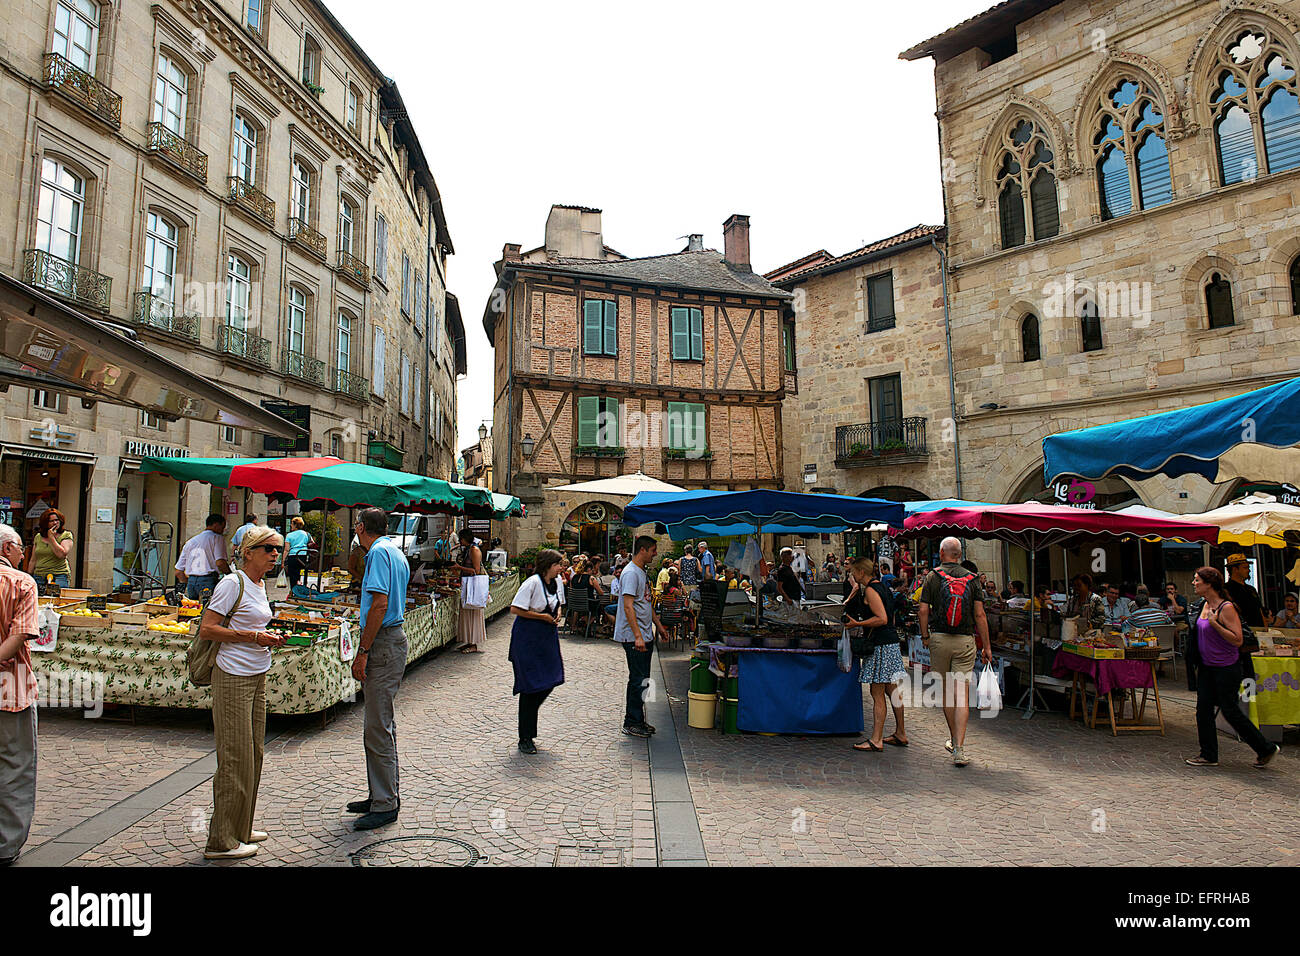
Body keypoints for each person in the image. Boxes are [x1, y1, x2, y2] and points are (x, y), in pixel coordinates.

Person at [198, 525, 287, 860]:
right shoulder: (230, 583)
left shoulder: (259, 584)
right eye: (268, 549)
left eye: (277, 549)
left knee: (254, 753)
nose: (274, 555)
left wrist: (267, 636)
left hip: (256, 673)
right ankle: (220, 840)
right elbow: (209, 628)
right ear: (248, 552)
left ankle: (241, 825)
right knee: (235, 757)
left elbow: (252, 623)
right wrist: (253, 638)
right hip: (233, 675)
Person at [346, 508, 410, 831]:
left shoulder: (378, 553)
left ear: (360, 527)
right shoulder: (394, 551)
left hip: (383, 643)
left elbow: (380, 604)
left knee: (377, 726)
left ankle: (385, 802)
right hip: (390, 640)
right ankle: (381, 794)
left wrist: (363, 651)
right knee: (380, 724)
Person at [1185, 566, 1280, 769]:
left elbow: (1237, 639)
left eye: (1197, 580)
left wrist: (1215, 623)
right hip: (1207, 667)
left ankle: (1265, 748)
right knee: (1203, 710)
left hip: (1226, 667)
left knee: (1230, 711)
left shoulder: (1226, 607)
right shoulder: (1202, 605)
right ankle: (1209, 754)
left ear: (1209, 583)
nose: (1194, 583)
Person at [918, 537, 992, 767]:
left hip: (939, 639)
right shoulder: (973, 579)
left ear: (941, 553)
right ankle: (959, 748)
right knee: (962, 696)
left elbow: (923, 610)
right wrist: (987, 646)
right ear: (959, 555)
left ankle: (953, 738)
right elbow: (980, 615)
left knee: (946, 694)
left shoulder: (932, 576)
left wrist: (925, 637)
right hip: (965, 642)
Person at [0, 524, 40, 865]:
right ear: (8, 548)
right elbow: (22, 634)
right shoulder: (22, 582)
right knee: (15, 766)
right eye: (20, 549)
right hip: (10, 687)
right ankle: (5, 846)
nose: (23, 554)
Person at [843, 557, 907, 752]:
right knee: (891, 690)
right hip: (890, 642)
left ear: (862, 572)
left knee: (877, 692)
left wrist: (857, 624)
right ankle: (900, 733)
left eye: (854, 572)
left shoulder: (871, 590)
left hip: (881, 644)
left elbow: (882, 618)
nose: (852, 575)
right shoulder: (882, 587)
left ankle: (876, 739)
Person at [509, 549, 566, 755]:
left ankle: (530, 719)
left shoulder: (558, 582)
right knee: (529, 687)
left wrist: (557, 613)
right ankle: (525, 737)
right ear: (549, 565)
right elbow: (515, 609)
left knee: (552, 678)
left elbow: (558, 604)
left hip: (546, 638)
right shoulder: (532, 583)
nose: (561, 567)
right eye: (558, 564)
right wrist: (542, 617)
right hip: (528, 637)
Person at [615, 535, 663, 738]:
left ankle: (639, 719)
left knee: (645, 679)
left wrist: (658, 626)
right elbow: (628, 605)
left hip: (644, 634)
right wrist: (637, 636)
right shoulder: (631, 573)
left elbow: (645, 603)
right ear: (643, 550)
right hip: (634, 637)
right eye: (653, 550)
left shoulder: (641, 572)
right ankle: (631, 721)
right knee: (637, 679)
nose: (655, 554)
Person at [178, 514, 231, 601]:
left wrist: (187, 583)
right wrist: (230, 574)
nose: (223, 530)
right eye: (222, 527)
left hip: (191, 581)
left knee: (193, 608)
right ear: (216, 524)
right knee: (207, 609)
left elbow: (178, 571)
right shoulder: (217, 538)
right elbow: (220, 562)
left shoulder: (190, 542)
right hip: (208, 580)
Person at [455, 526, 487, 654]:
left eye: (460, 539)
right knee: (467, 614)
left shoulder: (474, 550)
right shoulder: (468, 549)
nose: (459, 542)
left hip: (473, 586)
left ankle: (474, 644)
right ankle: (468, 641)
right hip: (467, 584)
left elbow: (476, 570)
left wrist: (459, 568)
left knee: (472, 615)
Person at [25, 508, 74, 587]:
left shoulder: (66, 535)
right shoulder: (38, 537)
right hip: (39, 575)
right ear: (45, 523)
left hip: (59, 575)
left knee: (56, 598)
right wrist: (29, 576)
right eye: (51, 521)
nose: (55, 523)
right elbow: (33, 559)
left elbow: (61, 554)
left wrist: (51, 538)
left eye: (57, 520)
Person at [1224, 553, 1272, 629]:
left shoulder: (1251, 589)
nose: (1249, 570)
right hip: (1240, 630)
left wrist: (1265, 628)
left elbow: (1260, 610)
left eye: (1248, 568)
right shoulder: (1226, 589)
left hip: (1257, 631)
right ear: (1235, 569)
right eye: (1245, 568)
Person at [282, 516, 313, 590]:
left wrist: (283, 561)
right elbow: (312, 543)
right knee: (302, 575)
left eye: (292, 524)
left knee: (293, 576)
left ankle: (294, 591)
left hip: (293, 556)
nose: (291, 526)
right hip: (303, 556)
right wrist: (305, 545)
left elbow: (286, 549)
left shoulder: (289, 535)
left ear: (295, 525)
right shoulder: (306, 534)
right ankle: (302, 589)